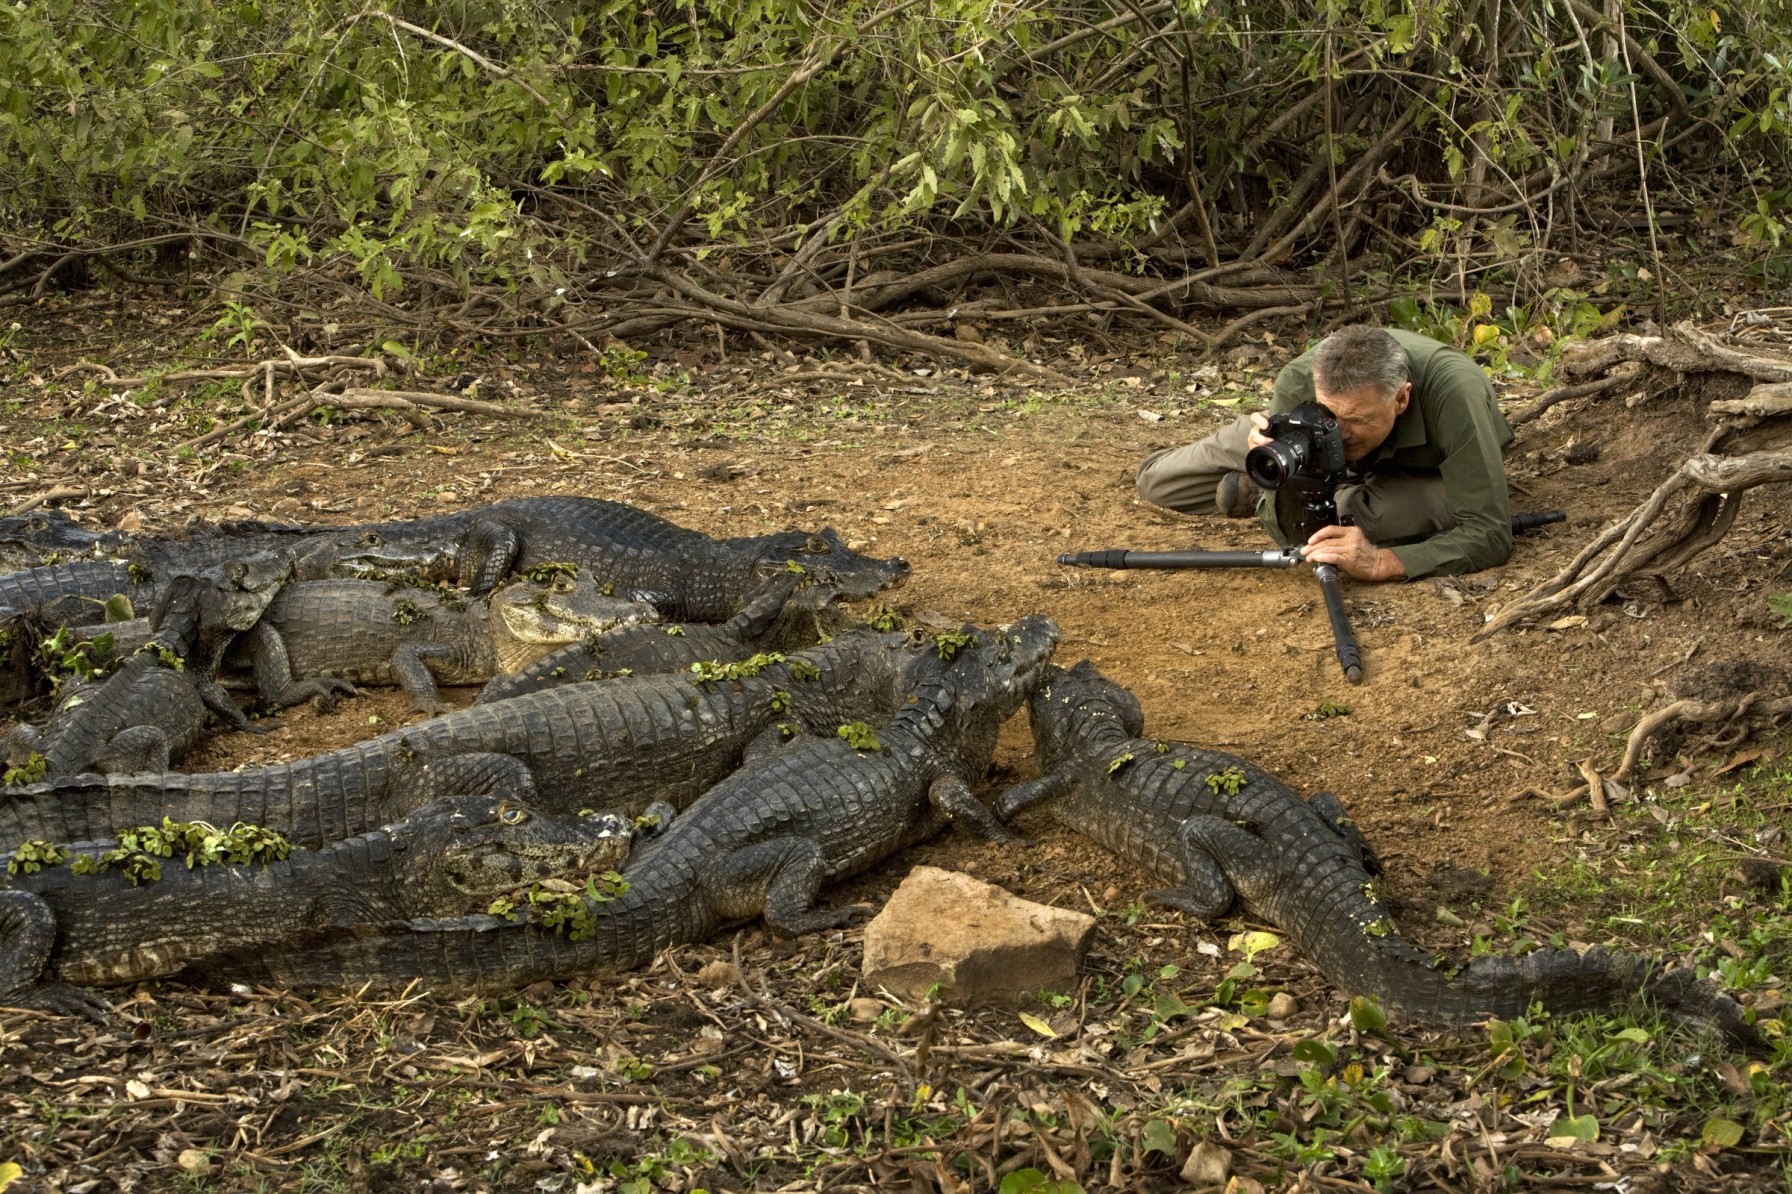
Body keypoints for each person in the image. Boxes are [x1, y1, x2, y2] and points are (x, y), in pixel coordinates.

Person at [1135, 326, 1515, 580]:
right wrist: (1271, 448)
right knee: (1158, 483)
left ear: (1401, 399)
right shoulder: (1299, 379)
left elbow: (1490, 533)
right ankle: (1270, 482)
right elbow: (1287, 526)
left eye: (1356, 419)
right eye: (1328, 415)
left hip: (1422, 470)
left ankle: (1278, 492)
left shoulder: (1454, 394)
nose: (1340, 433)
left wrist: (1382, 562)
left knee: (1344, 530)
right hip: (1311, 455)